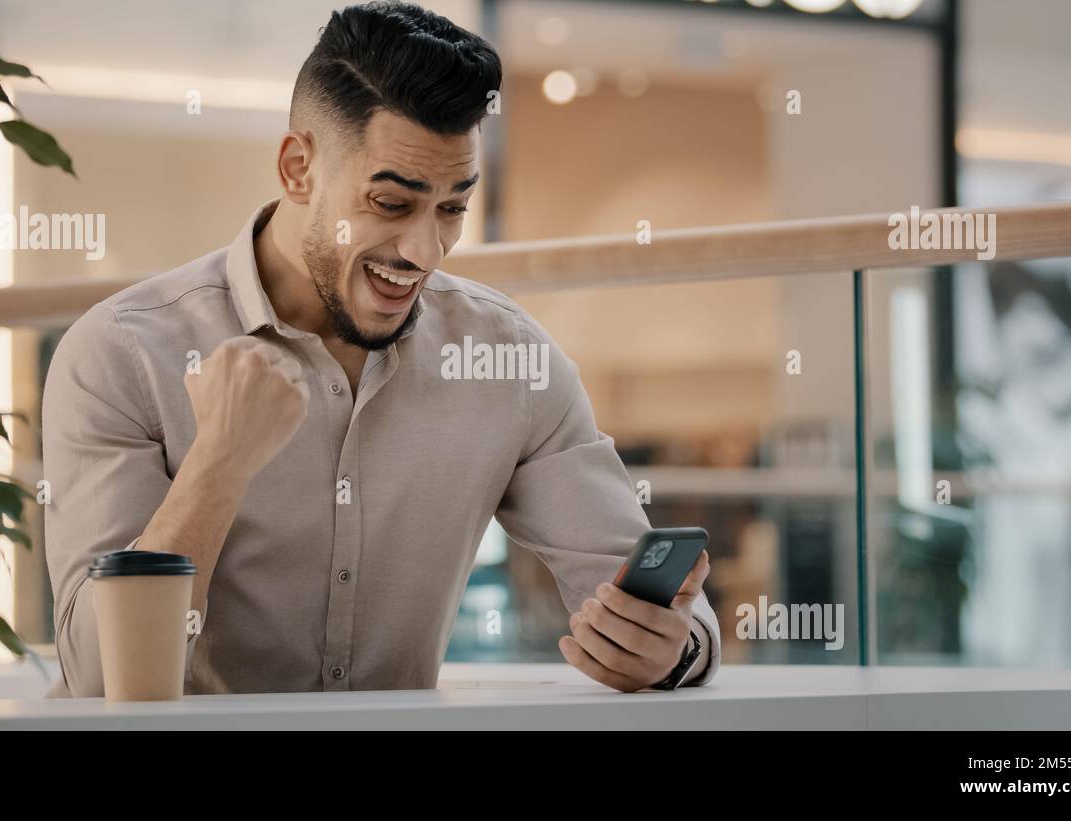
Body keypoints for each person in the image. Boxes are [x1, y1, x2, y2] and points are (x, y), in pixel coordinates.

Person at [43, 1, 720, 697]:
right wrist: (216, 465)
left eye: (453, 207)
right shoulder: (120, 354)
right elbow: (98, 676)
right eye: (392, 204)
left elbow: (653, 597)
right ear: (298, 167)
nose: (425, 250)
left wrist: (668, 647)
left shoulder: (510, 360)